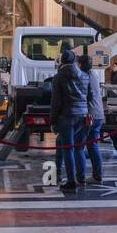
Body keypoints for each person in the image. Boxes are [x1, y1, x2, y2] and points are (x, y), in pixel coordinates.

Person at [50, 50, 90, 189]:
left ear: (62, 61)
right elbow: (88, 96)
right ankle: (82, 178)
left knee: (68, 149)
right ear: (74, 61)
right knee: (80, 148)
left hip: (67, 116)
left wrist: (53, 121)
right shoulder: (85, 76)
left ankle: (71, 181)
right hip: (83, 115)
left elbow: (56, 102)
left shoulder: (58, 77)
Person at [78, 55, 106, 184]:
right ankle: (97, 174)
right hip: (99, 113)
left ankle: (81, 176)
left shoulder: (84, 76)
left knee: (79, 146)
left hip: (89, 115)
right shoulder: (94, 74)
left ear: (81, 65)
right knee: (93, 145)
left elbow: (86, 95)